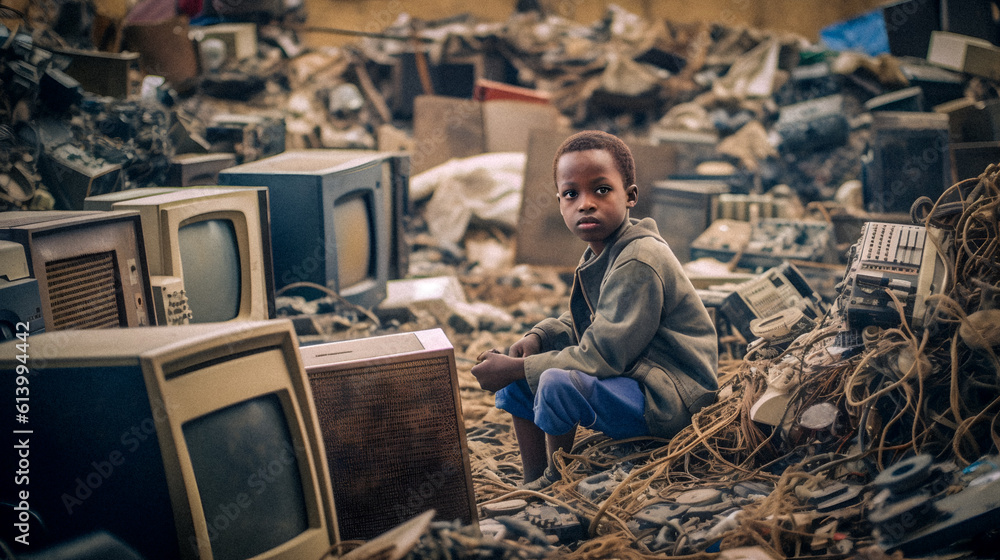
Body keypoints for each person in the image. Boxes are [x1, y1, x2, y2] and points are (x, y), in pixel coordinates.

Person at [471, 130, 719, 489]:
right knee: (518, 379)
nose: (585, 203)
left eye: (601, 190)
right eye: (571, 194)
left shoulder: (639, 259)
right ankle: (533, 479)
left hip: (673, 397)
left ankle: (556, 480)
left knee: (553, 381)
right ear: (560, 202)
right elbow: (593, 319)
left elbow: (601, 355)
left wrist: (517, 367)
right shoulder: (603, 250)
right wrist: (540, 337)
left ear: (630, 196)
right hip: (639, 376)